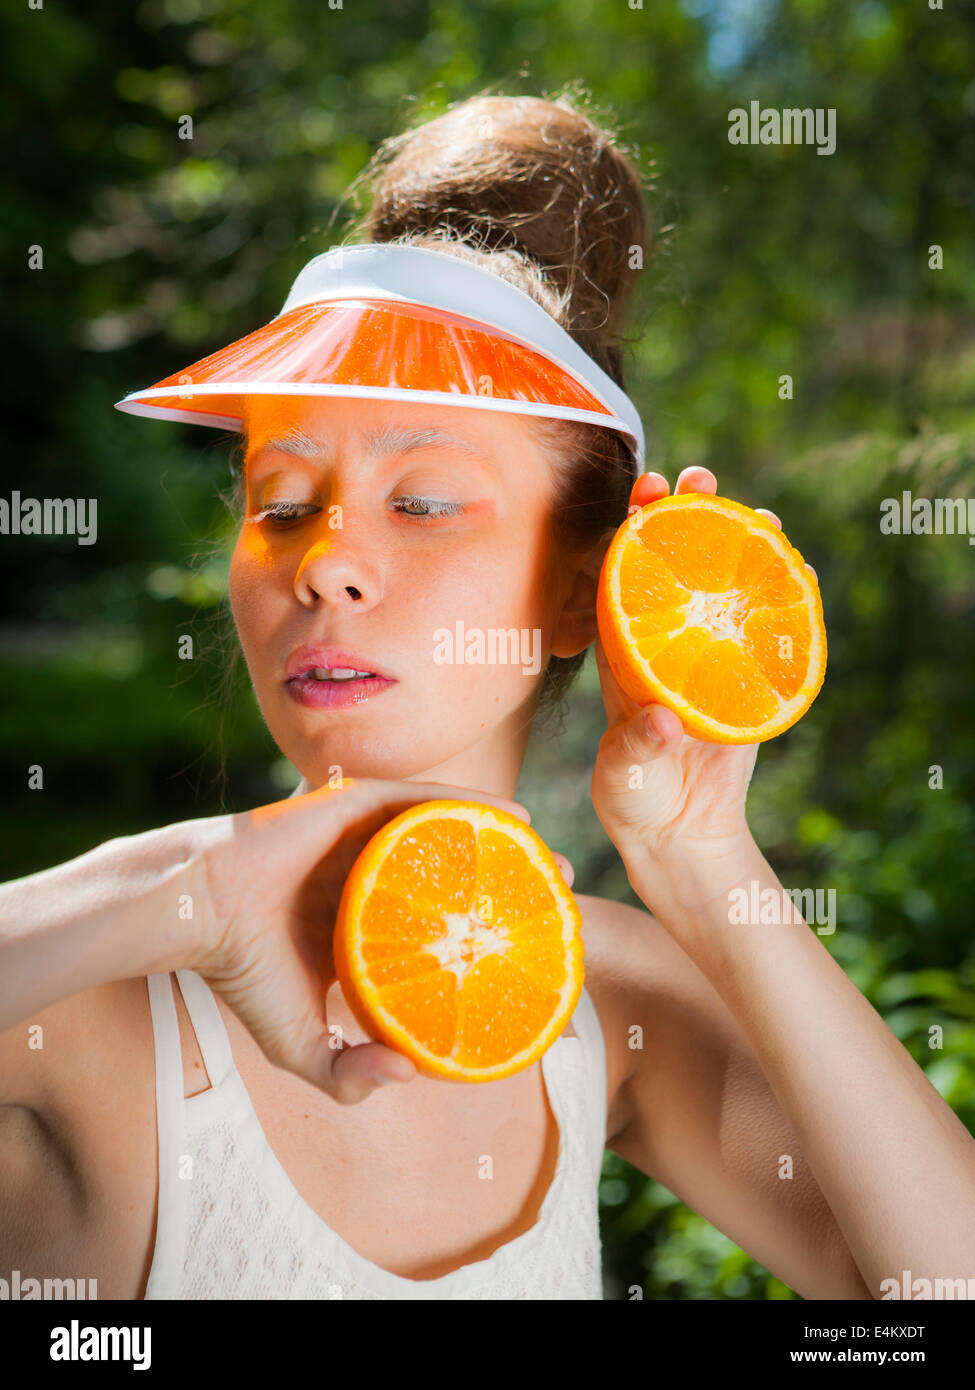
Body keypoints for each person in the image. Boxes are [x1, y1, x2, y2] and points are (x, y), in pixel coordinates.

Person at [2, 91, 974, 1302]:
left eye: (420, 500)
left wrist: (710, 861)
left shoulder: (603, 1002)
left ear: (586, 591)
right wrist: (183, 888)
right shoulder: (83, 998)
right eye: (282, 501)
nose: (324, 561)